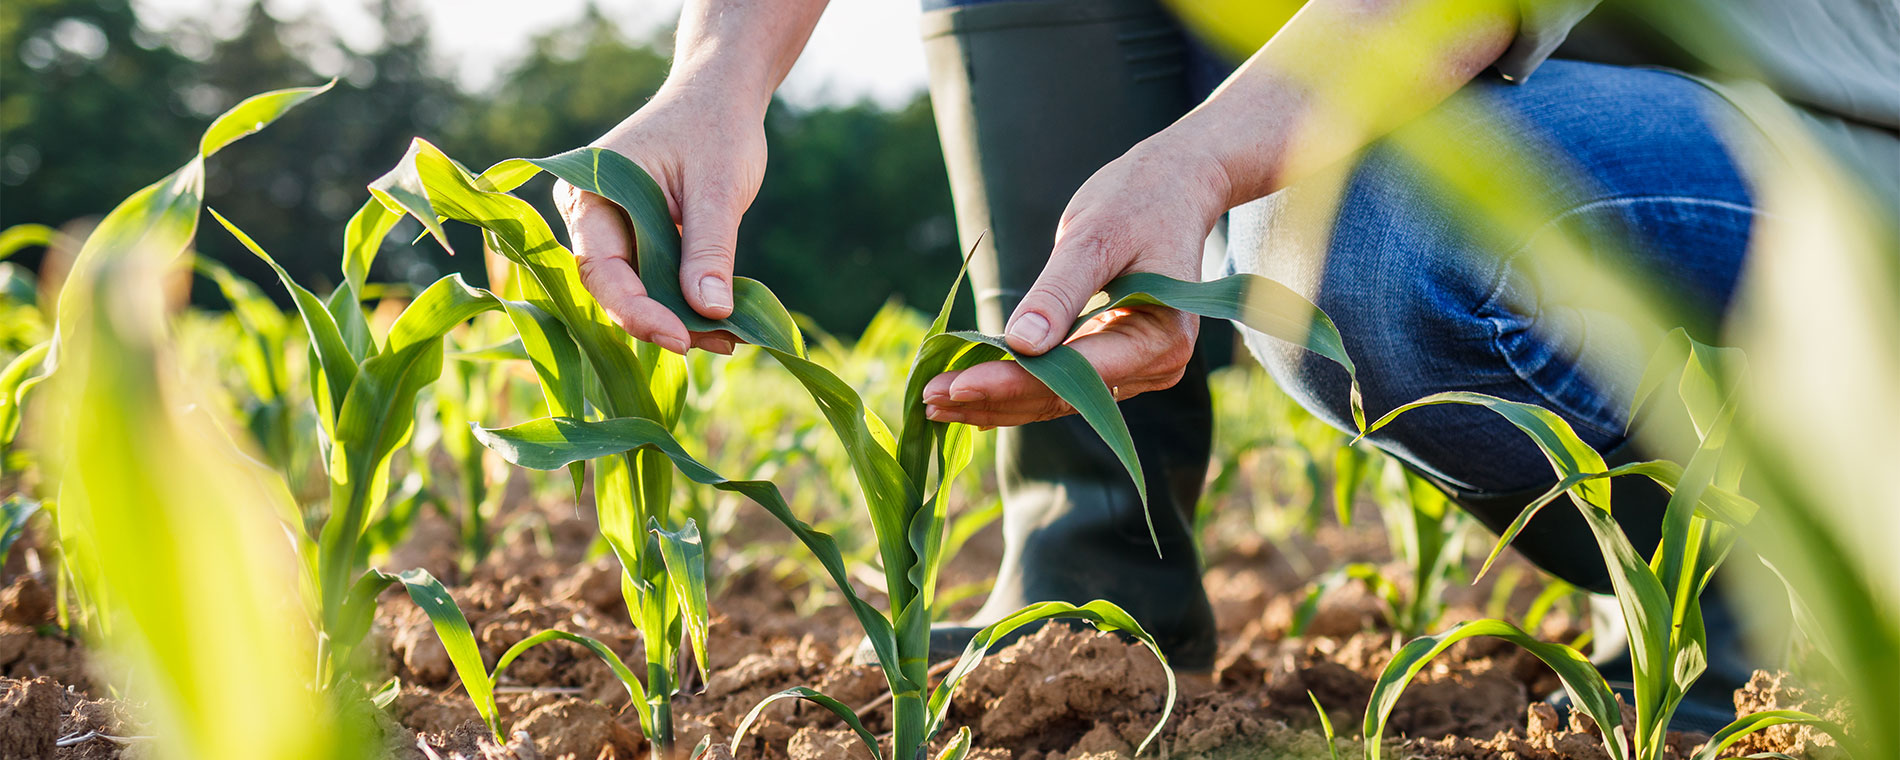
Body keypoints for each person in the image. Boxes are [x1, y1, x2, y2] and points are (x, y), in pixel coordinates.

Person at [554, 0, 1899, 731]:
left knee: (1355, 229)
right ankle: (1093, 578)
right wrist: (719, 72)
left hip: (1823, 139)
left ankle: (1797, 618)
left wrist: (1203, 162)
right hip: (1544, 106)